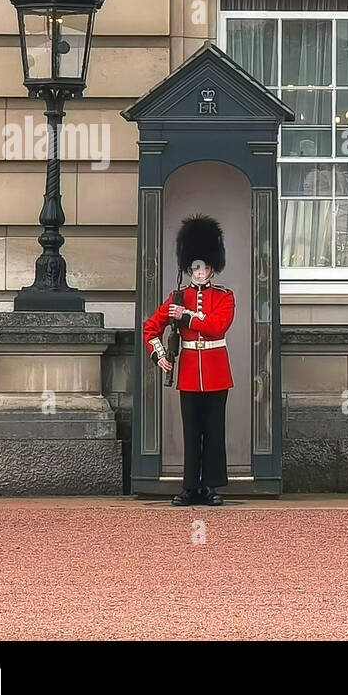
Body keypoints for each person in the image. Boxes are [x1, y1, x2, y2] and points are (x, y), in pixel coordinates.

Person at [141, 215, 235, 506]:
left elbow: (218, 326)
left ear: (211, 269)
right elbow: (150, 327)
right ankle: (190, 487)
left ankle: (211, 487)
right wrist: (158, 354)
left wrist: (189, 317)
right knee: (192, 433)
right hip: (190, 373)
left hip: (217, 372)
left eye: (204, 267)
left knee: (214, 431)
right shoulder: (176, 298)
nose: (200, 272)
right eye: (195, 267)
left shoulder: (224, 296)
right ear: (189, 268)